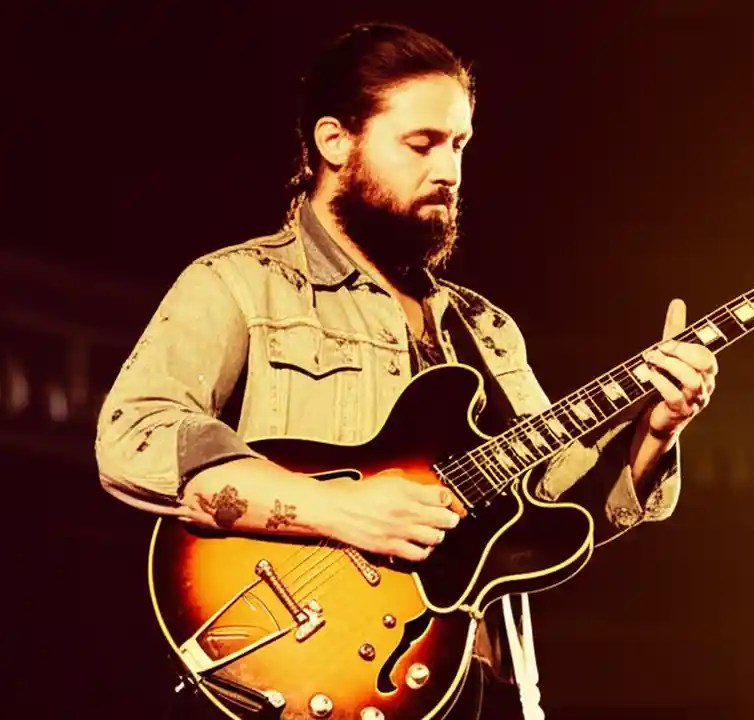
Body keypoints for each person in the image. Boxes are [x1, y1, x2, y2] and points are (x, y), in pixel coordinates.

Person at [95, 22, 718, 720]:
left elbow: (563, 510)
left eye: (458, 145)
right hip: (313, 662)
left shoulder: (484, 328)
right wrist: (340, 509)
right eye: (421, 145)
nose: (448, 171)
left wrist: (657, 429)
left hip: (482, 683)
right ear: (336, 142)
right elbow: (133, 438)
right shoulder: (240, 283)